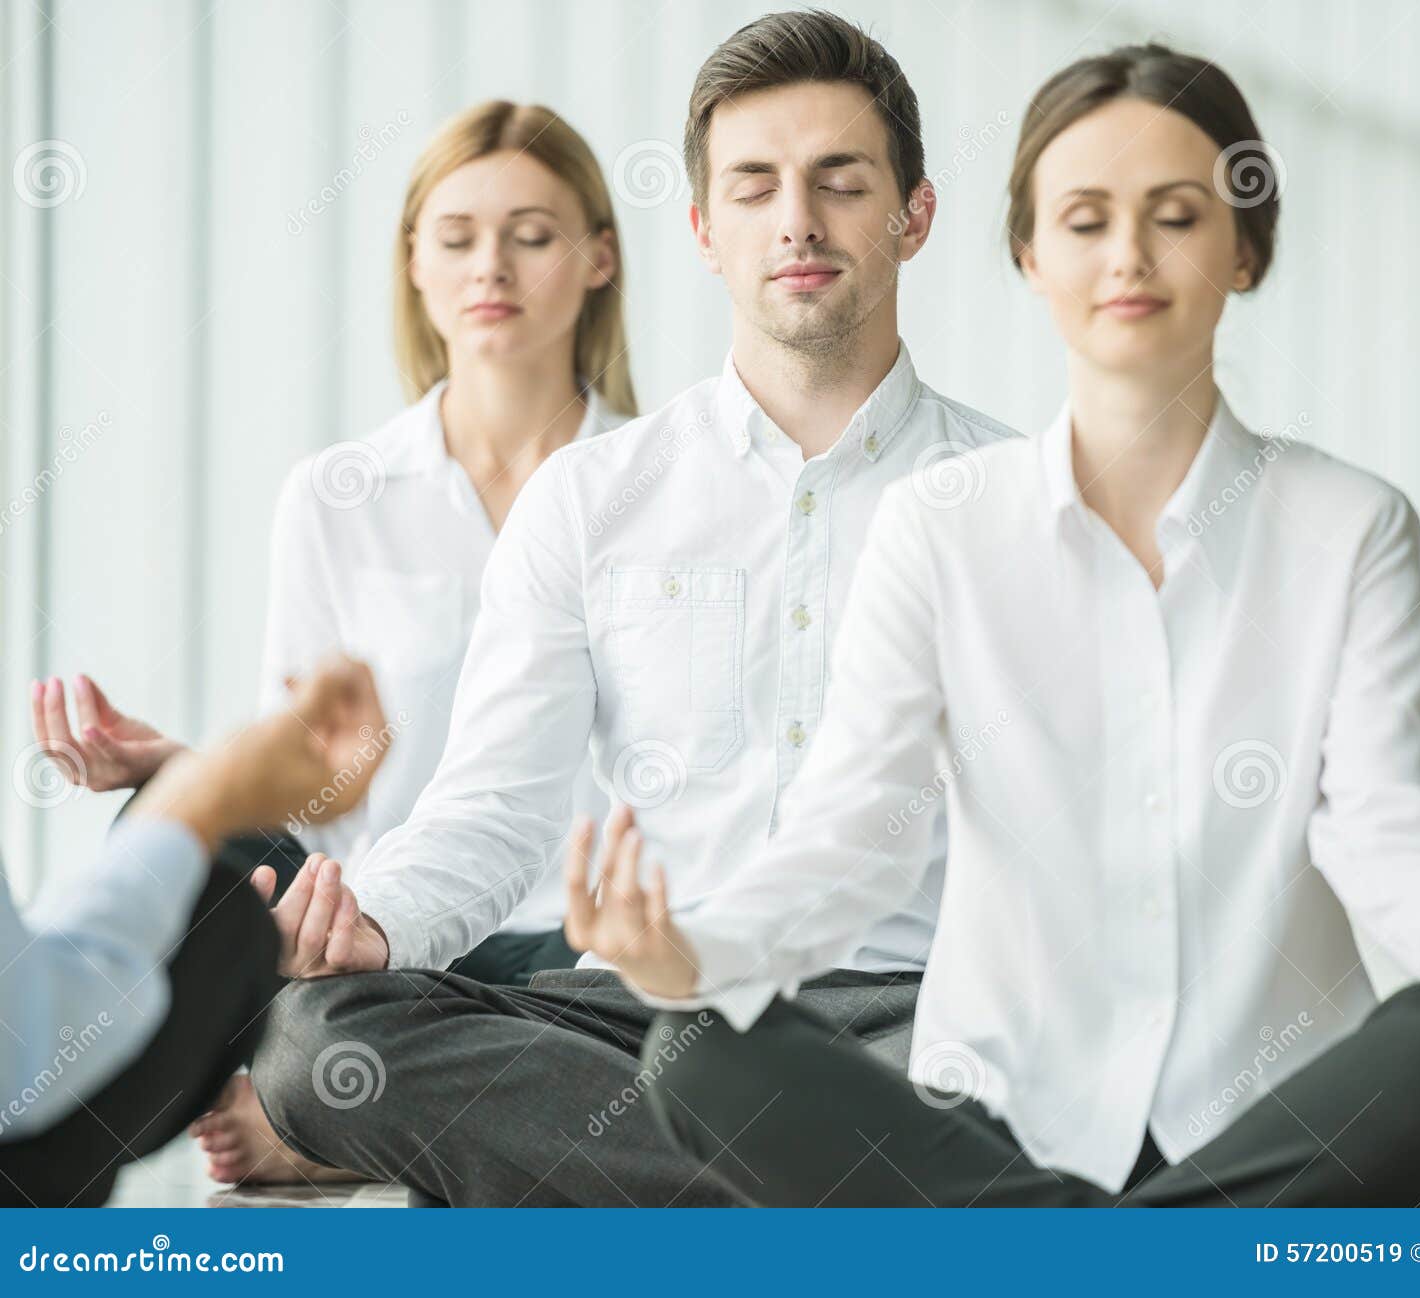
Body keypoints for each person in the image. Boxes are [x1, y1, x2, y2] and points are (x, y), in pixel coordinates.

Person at [565, 44, 1420, 1208]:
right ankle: (1185, 1259)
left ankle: (1041, 1260)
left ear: (1244, 249)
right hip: (1004, 1117)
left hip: (1268, 1114)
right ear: (1029, 252)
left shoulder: (1350, 528)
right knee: (703, 1053)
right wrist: (687, 953)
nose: (1129, 257)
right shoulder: (940, 527)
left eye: (1176, 216)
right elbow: (852, 841)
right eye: (1087, 218)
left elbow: (1390, 829)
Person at [246, 9, 1020, 1207]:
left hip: (911, 1013)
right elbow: (495, 809)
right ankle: (833, 1219)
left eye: (839, 182)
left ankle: (707, 1209)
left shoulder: (1024, 504)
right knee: (317, 1041)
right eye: (754, 186)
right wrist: (378, 925)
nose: (797, 220)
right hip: (640, 1013)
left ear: (913, 215)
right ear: (706, 230)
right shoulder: (593, 498)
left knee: (1030, 1076)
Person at [29, 100, 637, 1186]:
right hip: (370, 932)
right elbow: (316, 791)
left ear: (599, 255)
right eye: (455, 237)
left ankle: (327, 1119)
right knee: (210, 860)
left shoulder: (660, 488)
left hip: (581, 953)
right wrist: (193, 778)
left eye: (531, 234)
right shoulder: (340, 495)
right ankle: (355, 1099)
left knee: (598, 1017)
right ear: (413, 261)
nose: (489, 264)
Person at [0, 657, 387, 1207]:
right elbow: (27, 1041)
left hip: (496, 942)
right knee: (213, 902)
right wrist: (200, 795)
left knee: (201, 884)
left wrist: (195, 781)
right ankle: (322, 1104)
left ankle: (319, 1109)